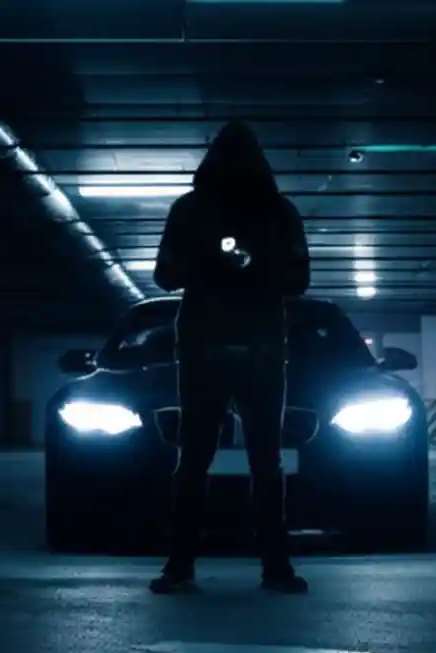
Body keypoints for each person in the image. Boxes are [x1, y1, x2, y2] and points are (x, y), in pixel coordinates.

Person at [148, 120, 311, 594]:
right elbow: (298, 280)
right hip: (256, 350)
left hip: (206, 349)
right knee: (264, 462)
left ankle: (180, 566)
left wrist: (210, 263)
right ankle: (274, 568)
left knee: (195, 459)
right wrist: (255, 269)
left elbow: (164, 277)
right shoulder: (280, 213)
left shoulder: (190, 210)